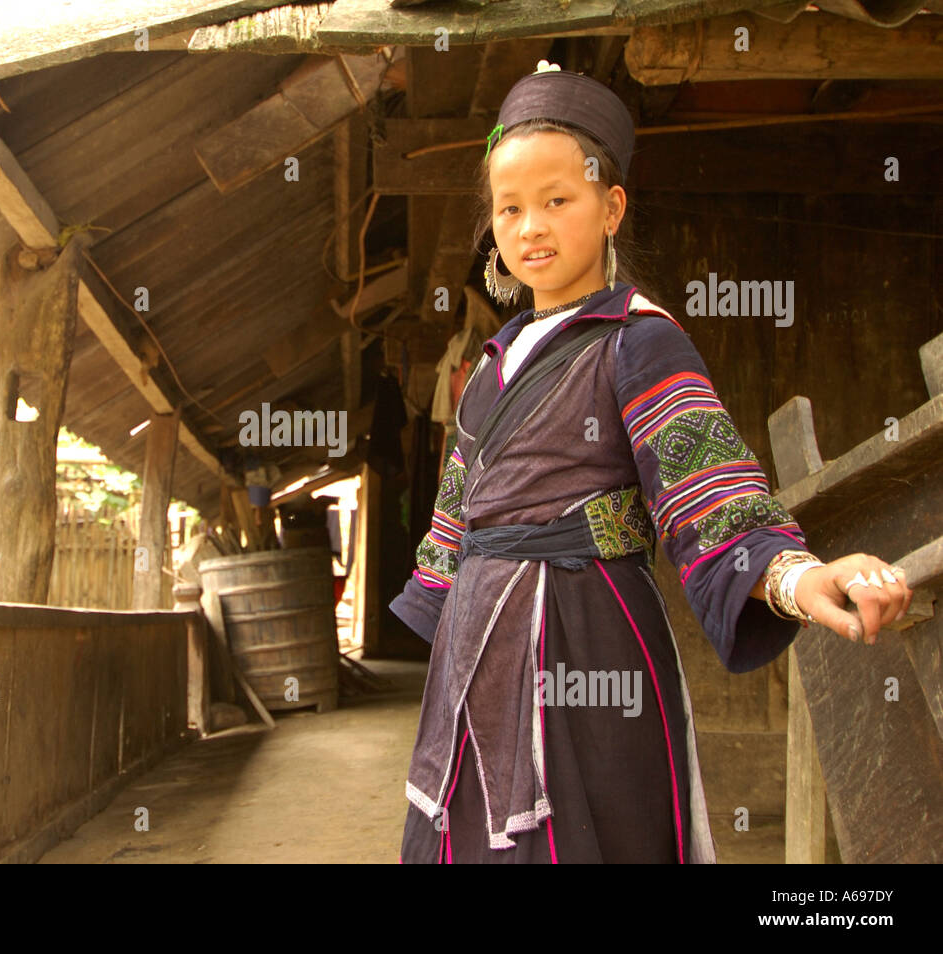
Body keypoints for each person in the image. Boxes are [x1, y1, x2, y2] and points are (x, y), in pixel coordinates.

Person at [388, 61, 914, 864]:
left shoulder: (641, 341)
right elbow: (455, 519)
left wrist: (798, 579)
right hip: (476, 653)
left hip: (587, 641)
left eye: (557, 200)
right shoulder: (489, 368)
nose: (531, 226)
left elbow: (711, 492)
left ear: (611, 207)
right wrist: (450, 619)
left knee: (593, 834)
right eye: (510, 208)